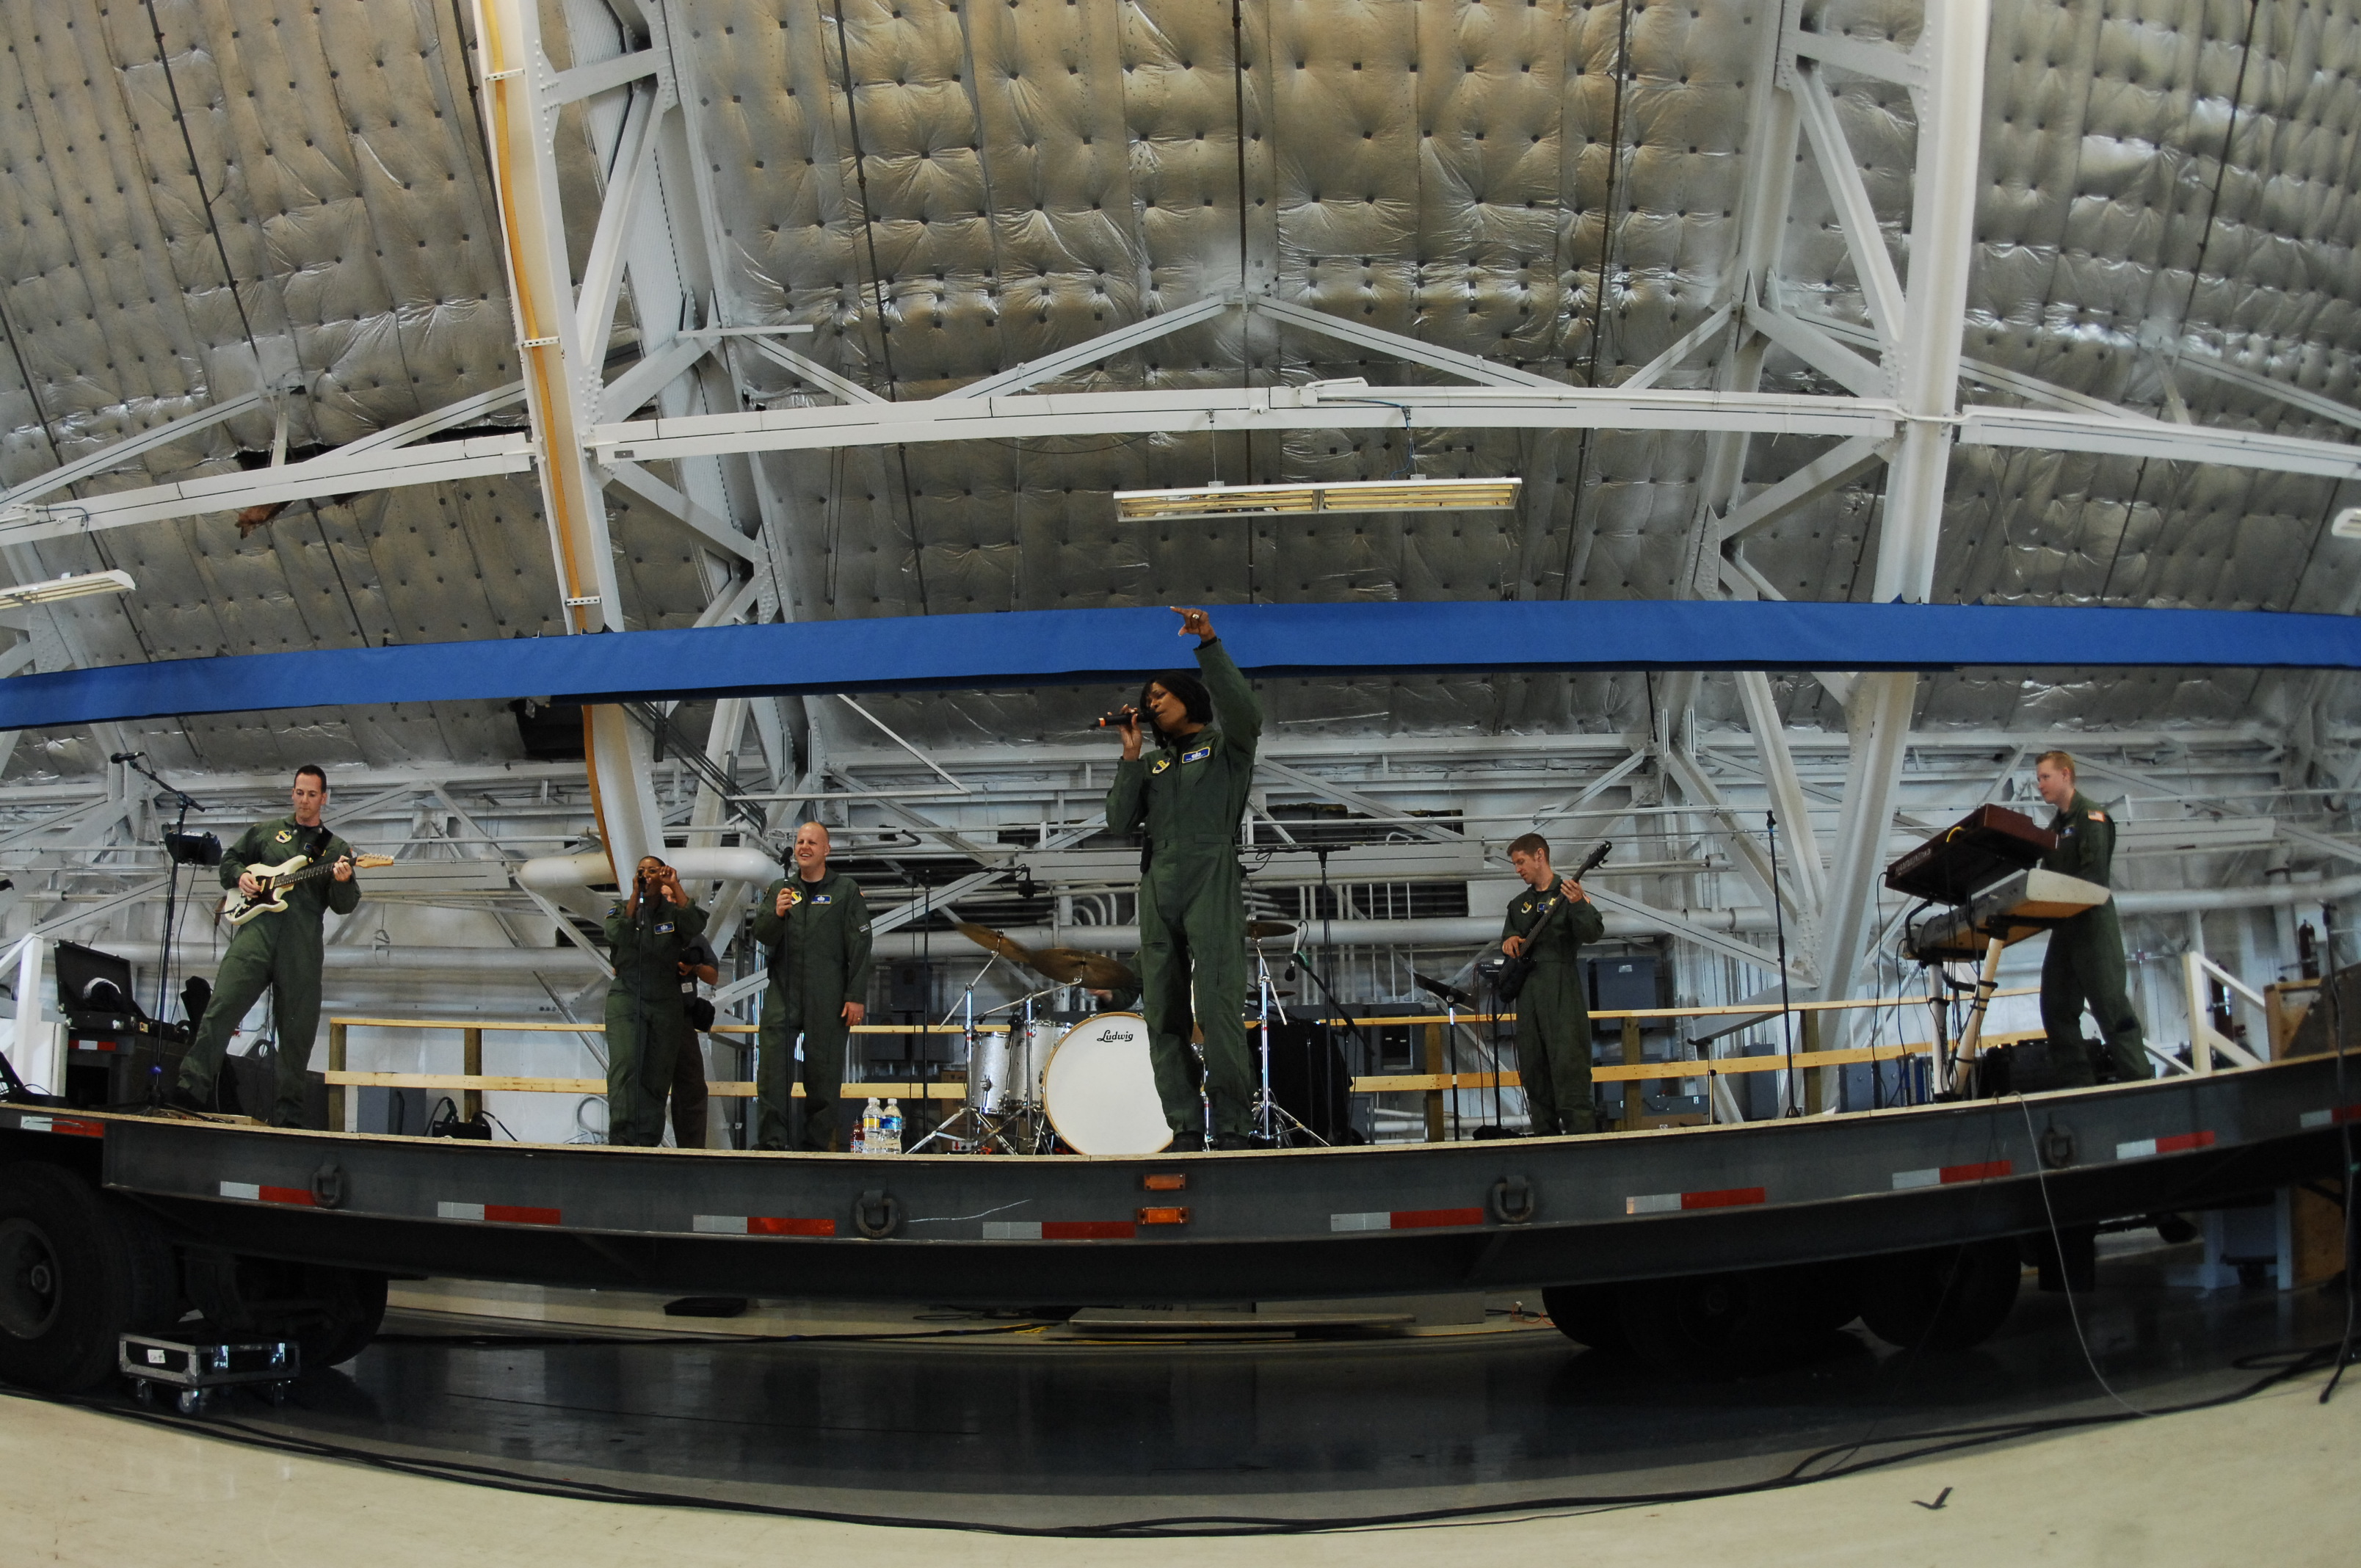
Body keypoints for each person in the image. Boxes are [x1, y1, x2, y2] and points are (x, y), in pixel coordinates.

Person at [1105, 606, 1261, 1150]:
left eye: (1159, 696)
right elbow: (1119, 822)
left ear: (1189, 698)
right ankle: (1185, 1126)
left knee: (1217, 1008)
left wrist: (1208, 644)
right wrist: (1131, 756)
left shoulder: (1225, 748)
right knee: (1162, 1013)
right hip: (1157, 884)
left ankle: (1234, 1126)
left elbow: (1245, 712)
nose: (1150, 704)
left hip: (1210, 874)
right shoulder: (1152, 764)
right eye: (1146, 699)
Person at [170, 766, 361, 1127]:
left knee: (297, 1033)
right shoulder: (265, 832)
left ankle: (289, 1115)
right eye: (300, 793)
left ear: (324, 798)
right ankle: (190, 1088)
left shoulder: (336, 849)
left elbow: (344, 905)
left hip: (301, 946)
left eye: (312, 794)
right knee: (221, 1008)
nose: (304, 800)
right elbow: (229, 861)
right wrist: (240, 876)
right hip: (255, 935)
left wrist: (344, 880)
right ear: (293, 793)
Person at [751, 821, 873, 1151]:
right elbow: (762, 935)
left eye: (812, 842)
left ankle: (816, 1146)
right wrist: (776, 915)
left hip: (827, 995)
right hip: (783, 993)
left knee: (823, 1072)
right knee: (773, 1071)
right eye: (800, 841)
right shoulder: (781, 889)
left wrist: (855, 996)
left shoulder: (845, 891)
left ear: (826, 850)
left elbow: (860, 945)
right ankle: (772, 1143)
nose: (804, 847)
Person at [2034, 750, 2150, 1086]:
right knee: (2056, 1007)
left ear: (2066, 775)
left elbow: (2093, 877)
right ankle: (2077, 1085)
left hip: (2092, 924)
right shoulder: (2053, 829)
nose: (2040, 784)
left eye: (2045, 777)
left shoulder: (2091, 817)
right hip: (2065, 926)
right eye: (2038, 778)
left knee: (2110, 1007)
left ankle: (2138, 1080)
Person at [1499, 832, 1607, 1136]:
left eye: (1521, 862)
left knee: (1569, 1063)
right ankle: (1543, 1138)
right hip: (1528, 993)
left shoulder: (1570, 893)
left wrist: (1578, 904)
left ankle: (1582, 1140)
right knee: (1533, 1067)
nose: (1518, 869)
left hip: (1561, 987)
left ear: (1540, 856)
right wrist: (1509, 941)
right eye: (1515, 864)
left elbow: (1592, 933)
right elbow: (1509, 937)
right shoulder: (1518, 904)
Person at [603, 856, 708, 1147]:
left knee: (657, 1072)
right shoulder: (621, 909)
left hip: (665, 1000)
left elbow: (695, 924)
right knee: (627, 1063)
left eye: (652, 871)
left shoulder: (673, 913)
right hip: (628, 996)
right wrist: (635, 897)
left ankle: (647, 1138)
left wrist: (675, 886)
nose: (646, 875)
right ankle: (622, 1136)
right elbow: (617, 933)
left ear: (662, 876)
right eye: (641, 871)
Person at [668, 930, 720, 1148]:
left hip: (683, 1018)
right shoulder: (645, 930)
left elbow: (713, 976)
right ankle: (639, 1146)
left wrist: (694, 967)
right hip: (650, 1016)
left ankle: (692, 1150)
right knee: (648, 1083)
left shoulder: (694, 937)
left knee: (692, 1087)